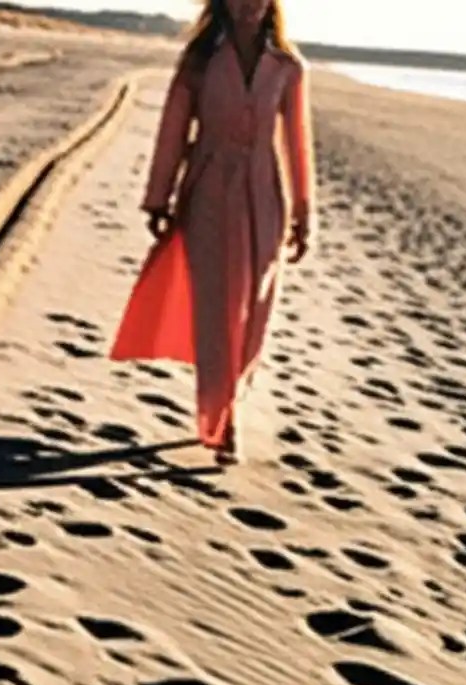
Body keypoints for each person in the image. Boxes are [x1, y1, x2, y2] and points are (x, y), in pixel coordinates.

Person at [109, 0, 317, 466]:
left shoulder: (288, 67)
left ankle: (232, 399)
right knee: (216, 309)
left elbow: (297, 144)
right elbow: (173, 130)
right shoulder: (199, 60)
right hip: (206, 194)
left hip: (263, 198)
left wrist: (305, 214)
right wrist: (158, 197)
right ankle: (221, 422)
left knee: (253, 313)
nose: (247, 5)